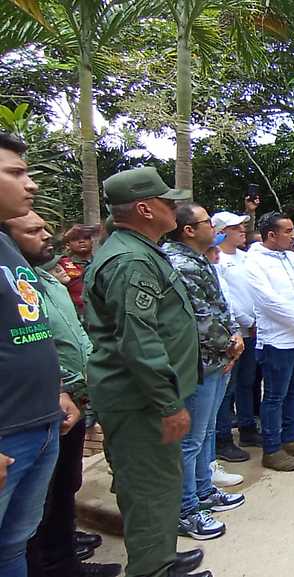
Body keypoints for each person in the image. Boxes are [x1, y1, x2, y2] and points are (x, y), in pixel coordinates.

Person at [83, 166, 209, 577]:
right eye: (166, 201)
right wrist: (168, 404)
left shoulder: (137, 247)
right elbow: (139, 341)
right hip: (140, 402)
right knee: (148, 490)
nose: (175, 207)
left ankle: (161, 557)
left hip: (145, 398)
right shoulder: (130, 261)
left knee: (158, 485)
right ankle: (151, 569)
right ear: (143, 208)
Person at [6, 211, 119, 577]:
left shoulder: (46, 282)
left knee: (66, 482)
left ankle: (64, 547)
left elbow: (70, 335)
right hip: (38, 407)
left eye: (44, 228)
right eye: (33, 231)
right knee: (44, 497)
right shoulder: (19, 285)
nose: (46, 237)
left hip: (66, 400)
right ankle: (54, 561)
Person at [0, 133, 81, 577]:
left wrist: (57, 391)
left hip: (41, 421)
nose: (30, 185)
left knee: (16, 541)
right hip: (7, 434)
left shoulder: (10, 250)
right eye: (15, 173)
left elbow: (25, 333)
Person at [163, 202, 246, 541]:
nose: (215, 227)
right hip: (199, 361)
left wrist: (234, 336)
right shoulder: (180, 263)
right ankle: (185, 509)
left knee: (206, 432)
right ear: (188, 230)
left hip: (217, 358)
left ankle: (203, 492)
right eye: (207, 222)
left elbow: (219, 304)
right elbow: (198, 317)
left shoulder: (201, 259)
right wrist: (228, 342)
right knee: (190, 441)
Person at [245, 212, 294, 471]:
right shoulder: (254, 261)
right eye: (288, 231)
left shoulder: (292, 257)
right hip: (279, 341)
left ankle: (291, 438)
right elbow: (268, 301)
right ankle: (272, 449)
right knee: (274, 396)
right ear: (271, 235)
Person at [209, 212, 259, 462]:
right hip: (232, 332)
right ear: (221, 231)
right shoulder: (216, 259)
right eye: (235, 227)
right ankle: (222, 438)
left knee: (248, 382)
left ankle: (248, 427)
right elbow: (226, 299)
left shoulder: (246, 256)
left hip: (253, 331)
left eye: (242, 226)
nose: (242, 230)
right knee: (227, 387)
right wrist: (249, 321)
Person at [55, 225, 96, 316]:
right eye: (75, 239)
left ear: (92, 241)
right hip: (74, 313)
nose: (82, 241)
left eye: (86, 238)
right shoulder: (60, 264)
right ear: (68, 245)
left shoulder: (101, 261)